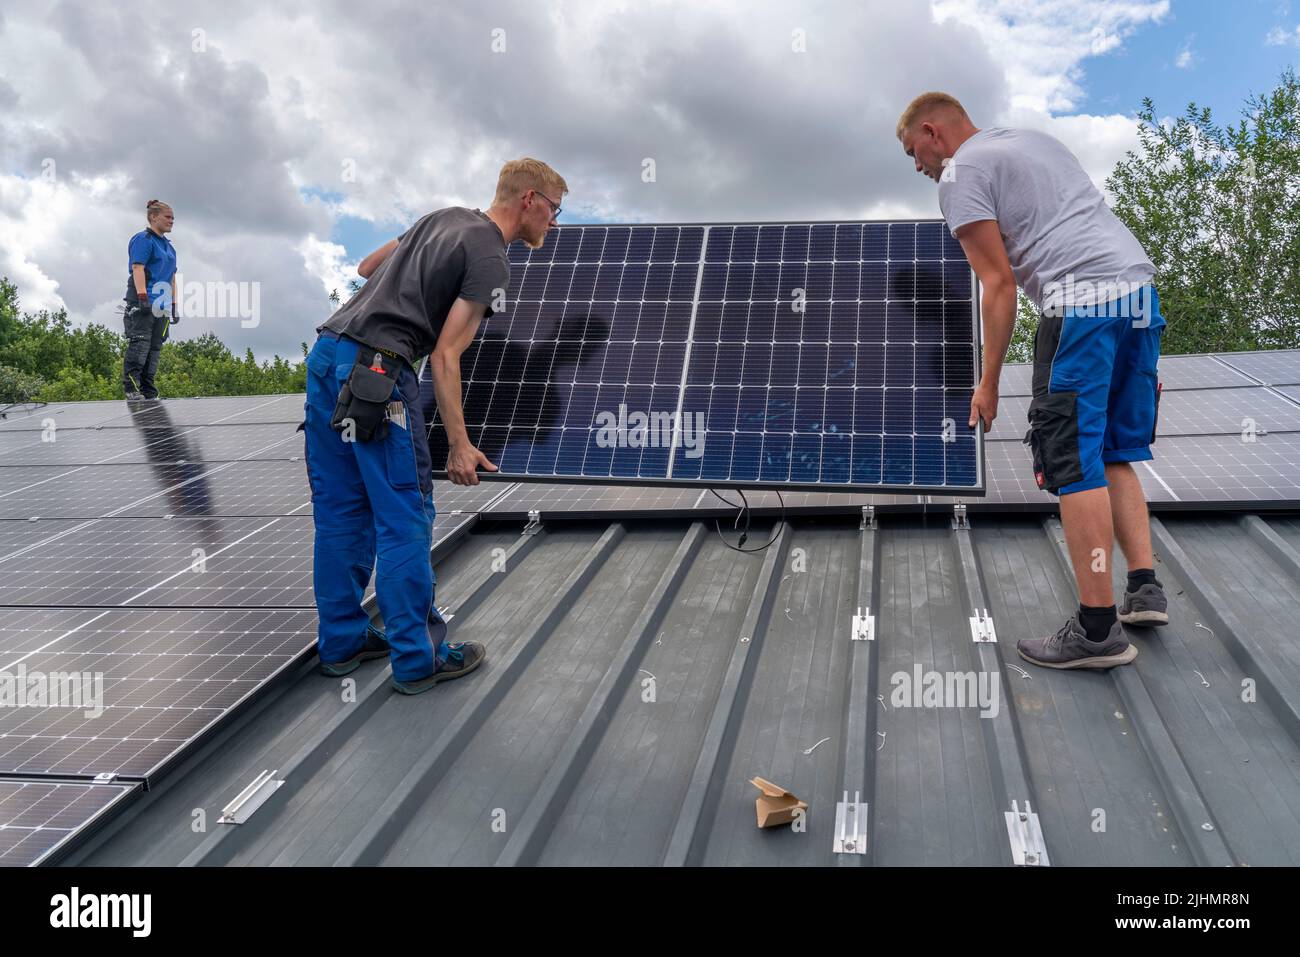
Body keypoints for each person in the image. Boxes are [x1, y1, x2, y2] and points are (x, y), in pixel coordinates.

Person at [896, 92, 1169, 670]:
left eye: (911, 150)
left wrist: (987, 381)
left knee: (1072, 461)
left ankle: (1097, 631)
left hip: (1080, 305)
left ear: (932, 131)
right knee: (1113, 449)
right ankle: (1144, 589)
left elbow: (997, 285)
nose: (916, 165)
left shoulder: (960, 172)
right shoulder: (1033, 141)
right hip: (1138, 296)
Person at [304, 157, 567, 694]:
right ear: (529, 200)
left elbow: (366, 267)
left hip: (326, 356)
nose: (555, 224)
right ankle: (418, 659)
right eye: (555, 210)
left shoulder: (441, 217)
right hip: (378, 374)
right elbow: (447, 355)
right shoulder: (492, 256)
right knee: (404, 515)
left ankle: (343, 641)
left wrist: (417, 282)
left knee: (340, 512)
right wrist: (460, 445)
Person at [123, 199, 179, 399]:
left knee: (155, 347)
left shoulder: (170, 248)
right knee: (140, 344)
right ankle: (131, 388)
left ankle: (148, 389)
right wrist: (142, 297)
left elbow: (172, 277)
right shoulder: (143, 239)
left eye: (173, 218)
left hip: (162, 306)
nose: (171, 221)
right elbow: (137, 268)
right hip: (144, 302)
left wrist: (174, 304)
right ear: (153, 217)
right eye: (167, 217)